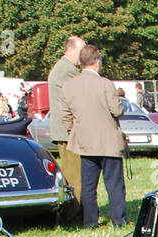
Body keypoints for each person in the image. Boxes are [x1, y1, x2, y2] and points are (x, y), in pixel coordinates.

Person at [57, 44, 127, 228]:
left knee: (88, 186)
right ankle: (119, 221)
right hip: (109, 143)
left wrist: (77, 129)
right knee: (114, 185)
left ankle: (90, 221)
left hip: (85, 142)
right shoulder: (105, 84)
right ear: (97, 61)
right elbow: (117, 110)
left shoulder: (69, 85)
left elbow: (64, 115)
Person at [48, 34, 86, 198]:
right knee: (74, 178)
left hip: (67, 131)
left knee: (74, 174)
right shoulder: (67, 71)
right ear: (70, 50)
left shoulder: (64, 68)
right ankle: (75, 213)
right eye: (81, 51)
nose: (83, 55)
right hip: (68, 132)